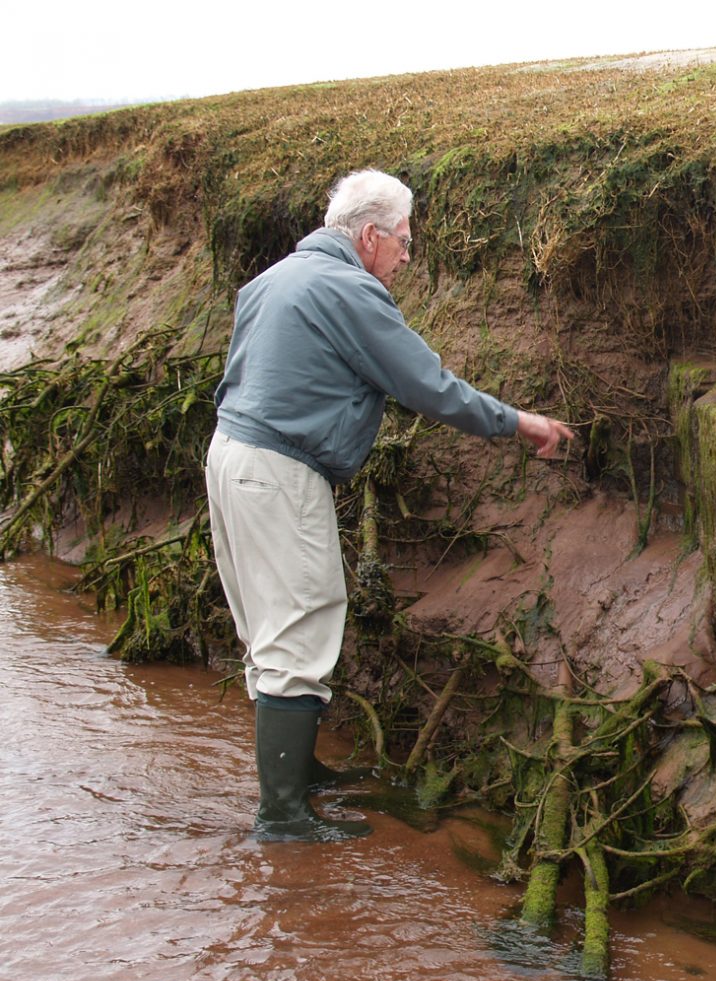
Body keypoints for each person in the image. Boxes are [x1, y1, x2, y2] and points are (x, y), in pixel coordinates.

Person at [205, 168, 574, 842]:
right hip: (281, 472)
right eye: (404, 243)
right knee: (301, 625)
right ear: (369, 236)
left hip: (229, 456)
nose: (406, 258)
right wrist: (520, 422)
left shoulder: (275, 278)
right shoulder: (349, 290)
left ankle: (300, 777)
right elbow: (427, 385)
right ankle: (283, 818)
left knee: (267, 626)